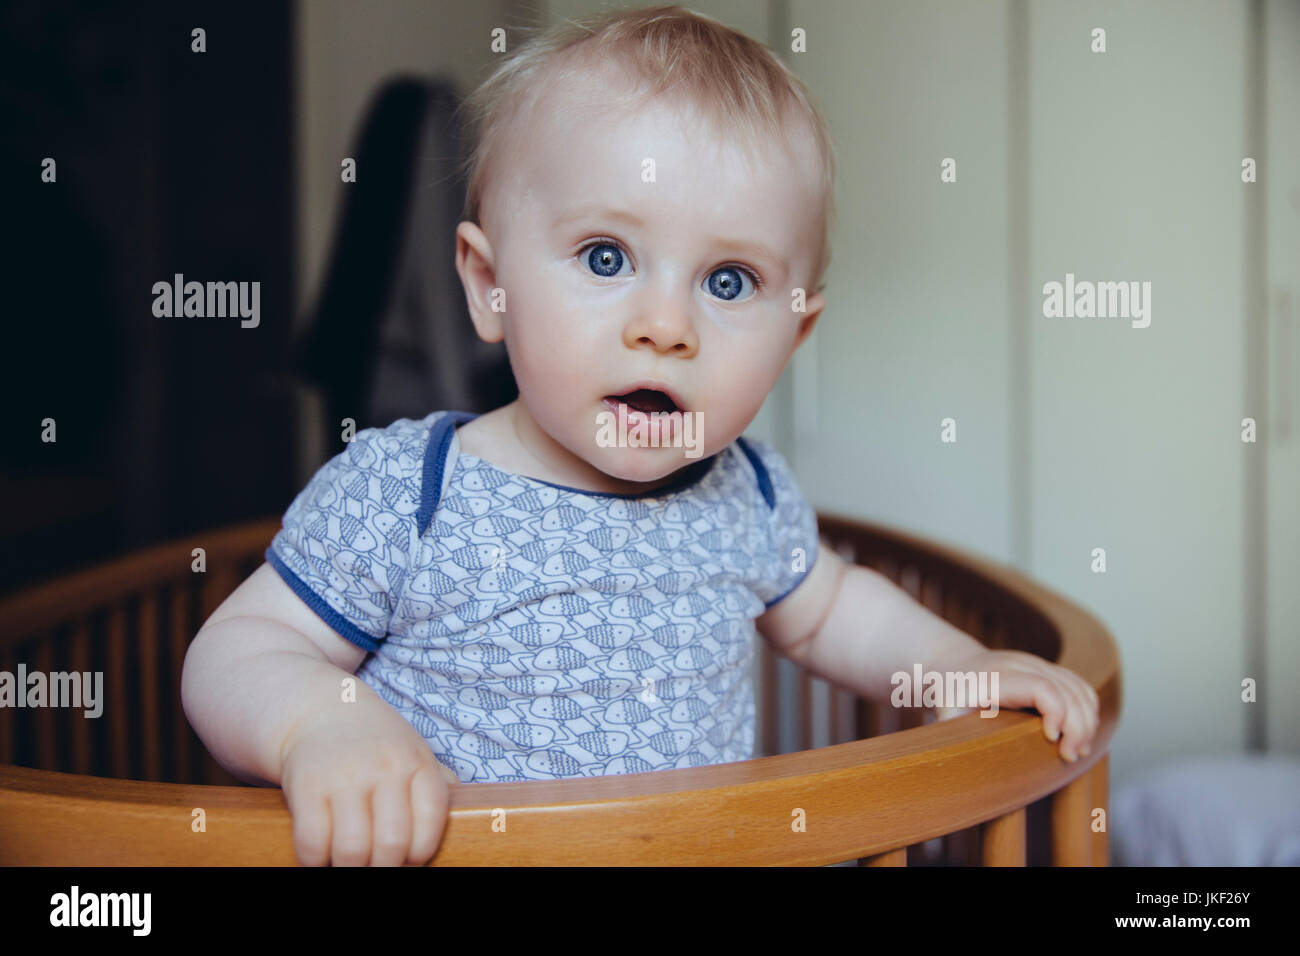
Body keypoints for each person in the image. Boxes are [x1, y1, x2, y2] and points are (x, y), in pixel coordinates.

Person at [182, 4, 1099, 867]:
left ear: (795, 333)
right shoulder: (408, 490)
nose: (665, 325)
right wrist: (319, 722)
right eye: (606, 258)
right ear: (488, 285)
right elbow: (236, 650)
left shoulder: (749, 491)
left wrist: (955, 666)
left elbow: (832, 611)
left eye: (730, 281)